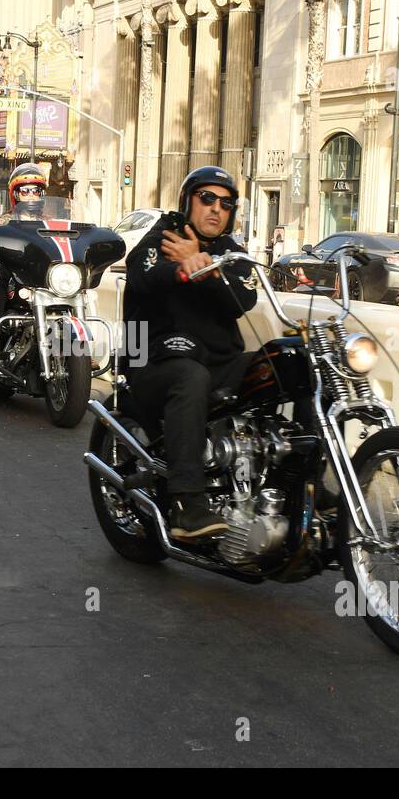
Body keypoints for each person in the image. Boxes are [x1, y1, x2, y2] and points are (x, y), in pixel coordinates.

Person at [123, 165, 259, 542]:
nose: (216, 208)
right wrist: (181, 266)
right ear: (189, 201)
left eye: (226, 203)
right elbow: (141, 274)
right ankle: (188, 505)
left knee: (290, 363)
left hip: (220, 364)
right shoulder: (162, 236)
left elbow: (243, 300)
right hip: (151, 362)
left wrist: (207, 268)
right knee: (190, 376)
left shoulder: (231, 252)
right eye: (207, 198)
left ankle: (305, 485)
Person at [0, 163, 49, 365]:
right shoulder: (7, 220)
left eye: (35, 190)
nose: (30, 195)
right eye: (25, 190)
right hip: (14, 278)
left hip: (43, 279)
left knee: (74, 296)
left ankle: (80, 350)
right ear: (16, 194)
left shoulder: (49, 221)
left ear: (41, 194)